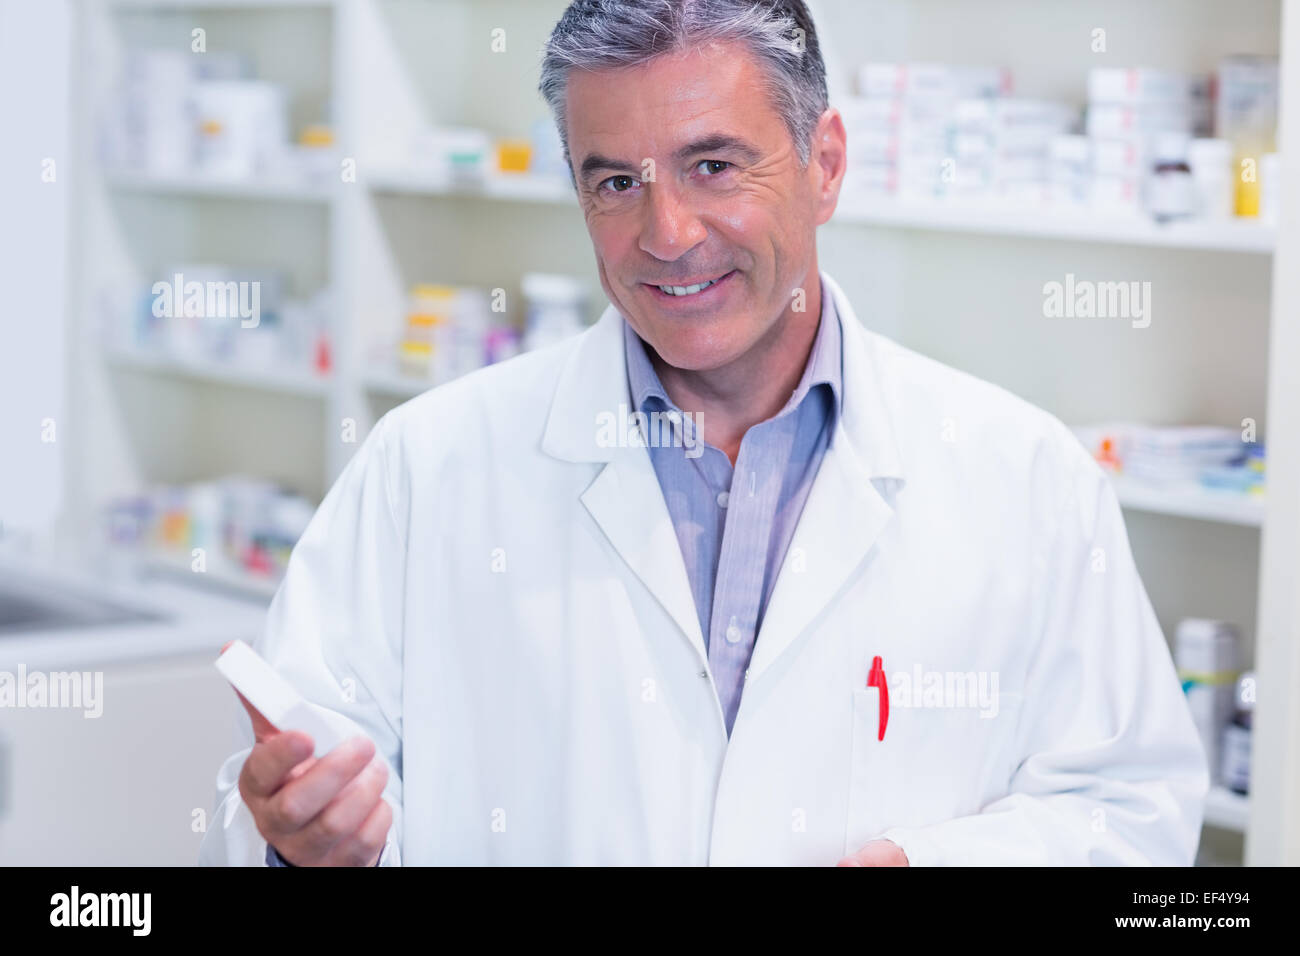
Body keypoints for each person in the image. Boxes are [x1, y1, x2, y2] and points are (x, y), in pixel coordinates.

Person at [201, 0, 1207, 867]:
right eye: (615, 182)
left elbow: (1134, 813)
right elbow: (293, 797)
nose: (667, 232)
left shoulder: (1023, 478)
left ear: (825, 165)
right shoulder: (428, 468)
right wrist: (302, 840)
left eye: (713, 165)